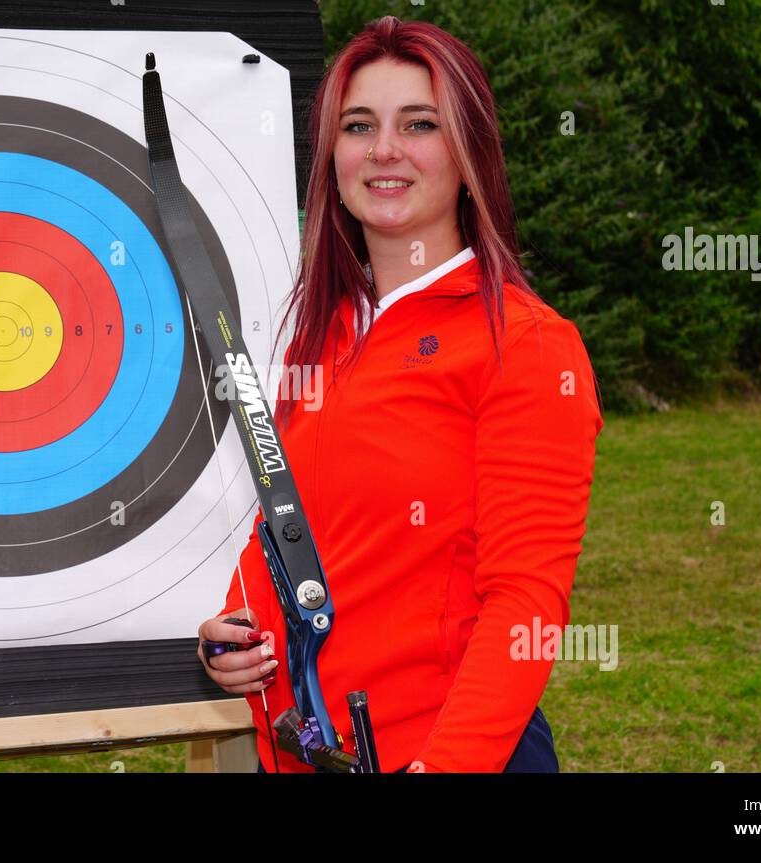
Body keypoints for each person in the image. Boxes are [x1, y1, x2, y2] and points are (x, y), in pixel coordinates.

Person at [197, 15, 603, 772]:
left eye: (419, 123)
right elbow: (287, 523)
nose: (384, 149)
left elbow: (527, 605)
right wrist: (238, 627)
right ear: (333, 157)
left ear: (466, 150)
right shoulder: (325, 333)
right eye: (359, 125)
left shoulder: (528, 343)